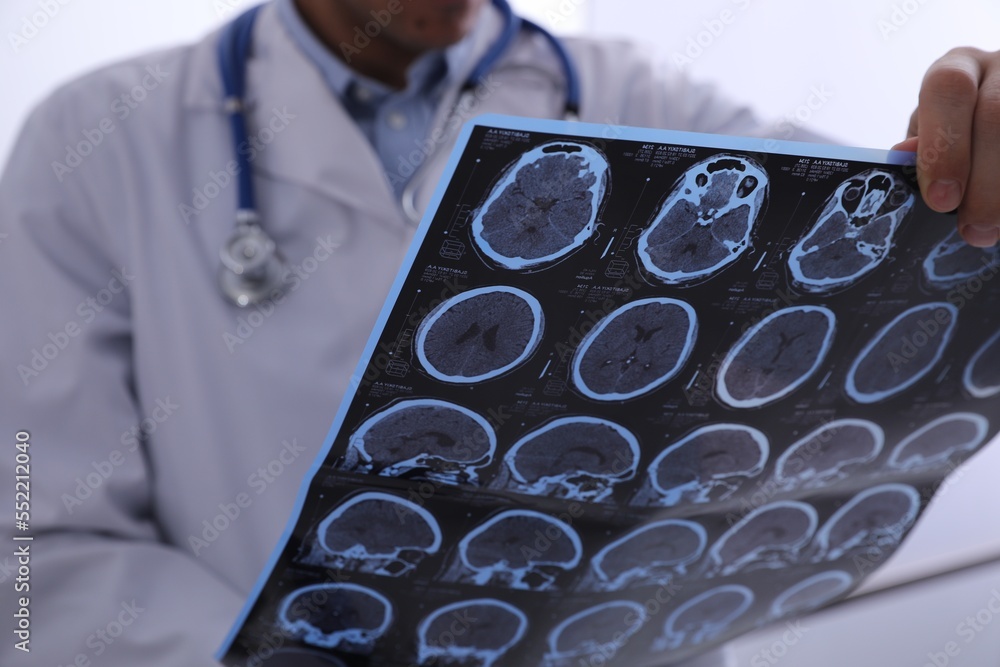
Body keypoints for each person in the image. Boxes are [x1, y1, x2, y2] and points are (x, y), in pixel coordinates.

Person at [1, 1, 998, 666]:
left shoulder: (644, 100)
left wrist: (978, 153)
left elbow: (905, 279)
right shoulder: (98, 143)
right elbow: (38, 550)